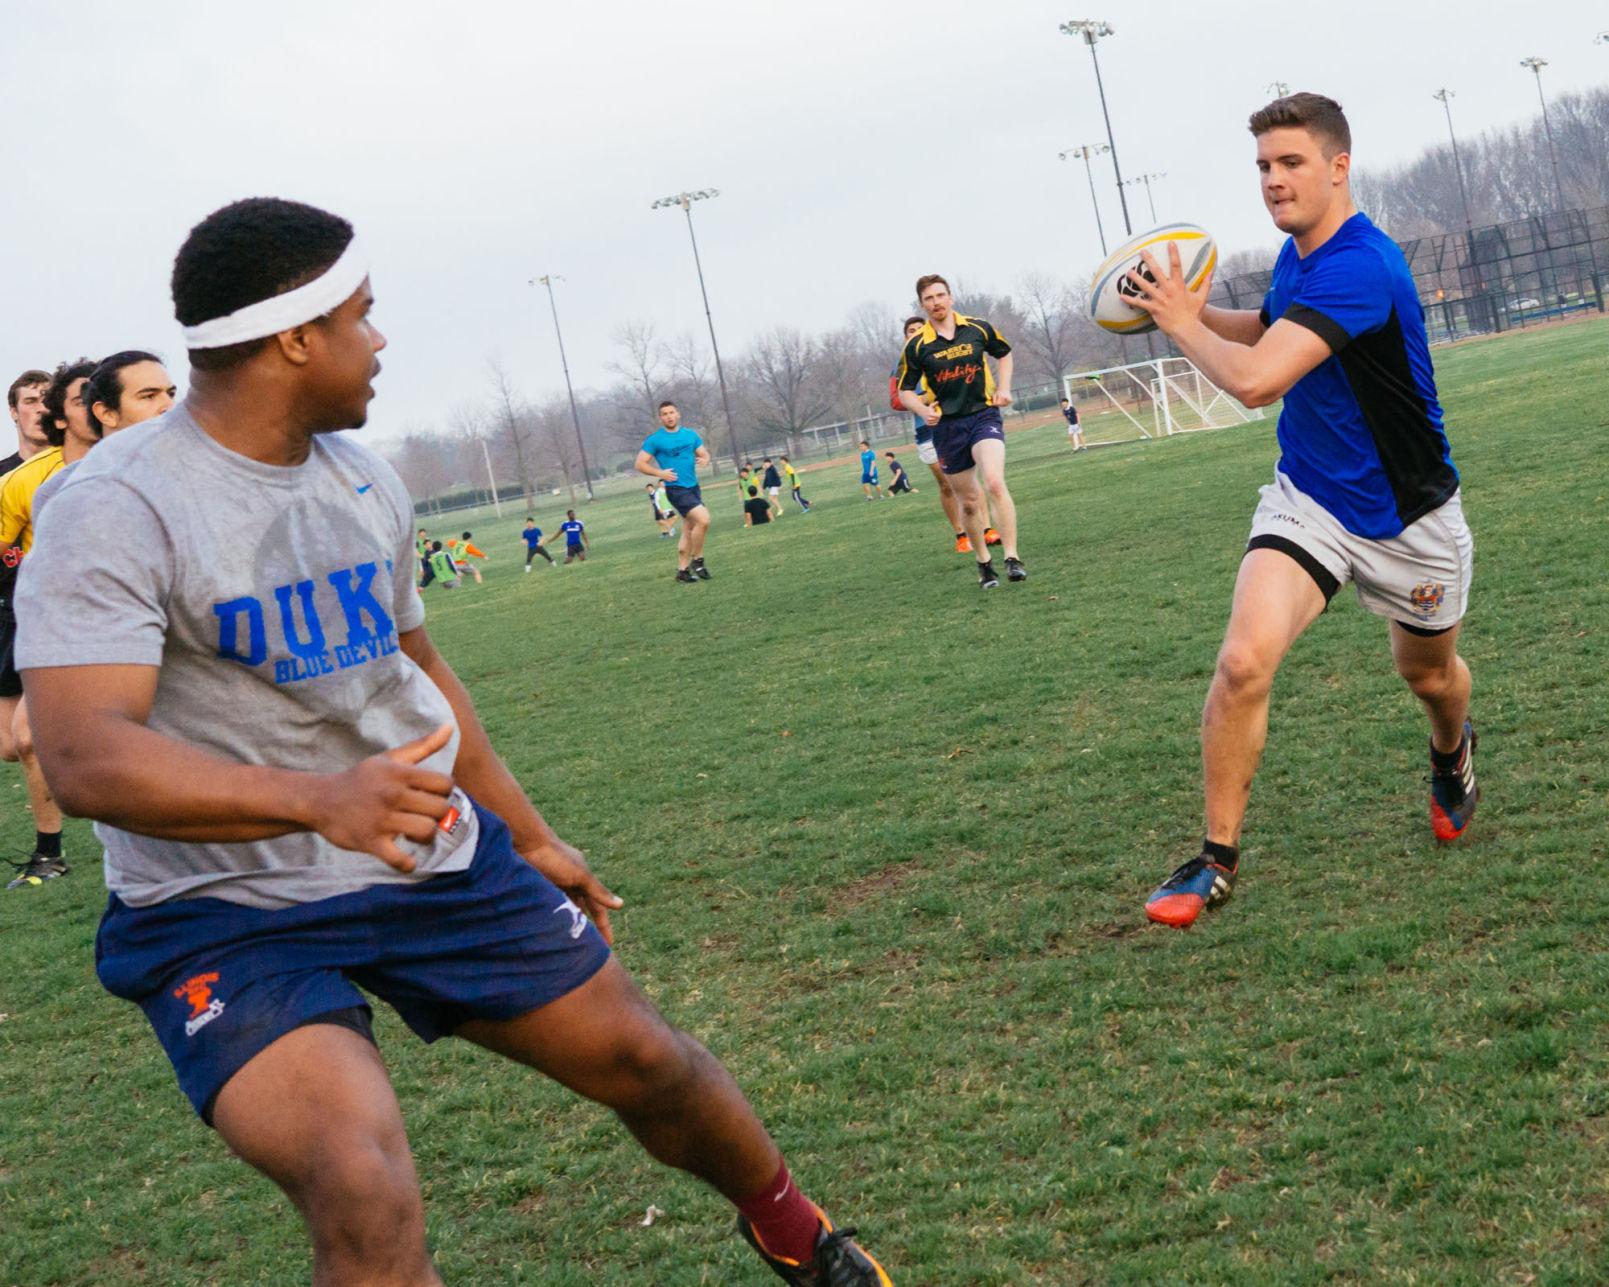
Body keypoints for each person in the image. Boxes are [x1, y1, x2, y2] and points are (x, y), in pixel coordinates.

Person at [16, 197, 891, 1286]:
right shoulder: (114, 506)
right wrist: (315, 800)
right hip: (225, 912)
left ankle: (796, 1235)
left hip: (426, 853)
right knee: (361, 1184)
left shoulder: (360, 478)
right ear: (296, 337)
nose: (378, 344)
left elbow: (417, 675)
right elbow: (85, 756)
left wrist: (526, 833)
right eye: (363, 318)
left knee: (649, 1063)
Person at [1121, 93, 1479, 929]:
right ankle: (1214, 858)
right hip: (1309, 500)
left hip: (1407, 515)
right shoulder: (1299, 257)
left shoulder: (1359, 264)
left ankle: (1452, 748)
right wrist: (1186, 309)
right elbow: (1265, 329)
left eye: (1289, 164)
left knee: (1427, 676)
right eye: (1261, 167)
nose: (1272, 182)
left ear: (1337, 167)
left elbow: (1254, 381)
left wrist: (1180, 326)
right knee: (1244, 659)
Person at [1, 361, 80, 889]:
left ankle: (49, 852)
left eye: (44, 399)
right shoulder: (9, 479)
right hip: (9, 616)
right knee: (10, 745)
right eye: (28, 400)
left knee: (30, 739)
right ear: (14, 413)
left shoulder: (79, 466)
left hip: (60, 618)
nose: (38, 409)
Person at [897, 276, 1025, 587]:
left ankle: (1012, 558)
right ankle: (984, 563)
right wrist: (923, 409)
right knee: (968, 501)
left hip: (983, 415)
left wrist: (1005, 388)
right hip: (947, 427)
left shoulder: (978, 327)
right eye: (929, 298)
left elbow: (1004, 353)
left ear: (951, 297)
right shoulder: (917, 346)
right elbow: (904, 392)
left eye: (941, 295)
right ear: (922, 304)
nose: (936, 302)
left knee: (994, 482)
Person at [890, 318, 997, 553]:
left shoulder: (942, 351)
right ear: (905, 336)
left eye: (920, 329)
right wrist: (926, 399)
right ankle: (961, 534)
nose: (916, 333)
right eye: (911, 331)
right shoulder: (902, 365)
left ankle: (987, 529)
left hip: (955, 424)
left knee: (971, 480)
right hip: (926, 432)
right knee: (947, 484)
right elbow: (896, 401)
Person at [33, 351, 178, 516]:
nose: (169, 406)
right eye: (149, 396)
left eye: (171, 394)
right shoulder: (59, 493)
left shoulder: (199, 473)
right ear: (106, 413)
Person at [636, 400, 714, 583]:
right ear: (660, 418)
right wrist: (659, 473)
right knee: (703, 520)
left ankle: (682, 571)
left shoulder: (690, 435)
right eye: (664, 414)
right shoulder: (655, 440)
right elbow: (639, 463)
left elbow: (704, 453)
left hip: (693, 487)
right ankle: (698, 560)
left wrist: (705, 459)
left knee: (689, 528)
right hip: (676, 489)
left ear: (678, 414)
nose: (669, 416)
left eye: (671, 413)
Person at [4, 370, 53, 472]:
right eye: (31, 402)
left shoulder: (78, 469)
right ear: (14, 412)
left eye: (48, 401)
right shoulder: (2, 477)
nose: (42, 409)